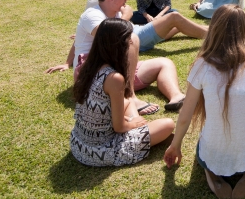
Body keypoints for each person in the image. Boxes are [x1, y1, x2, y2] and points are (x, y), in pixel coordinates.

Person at [48, 0, 205, 112]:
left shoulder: (116, 12)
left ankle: (176, 97)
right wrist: (126, 17)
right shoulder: (92, 15)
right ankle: (130, 96)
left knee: (164, 63)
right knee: (131, 40)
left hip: (116, 69)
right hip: (92, 75)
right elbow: (107, 37)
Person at [164, 5, 245, 199]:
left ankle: (214, 176)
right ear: (244, 29)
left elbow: (185, 116)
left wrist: (175, 145)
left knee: (208, 155)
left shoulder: (202, 65)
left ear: (213, 29)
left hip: (214, 150)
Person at [70, 18, 175, 166]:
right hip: (99, 150)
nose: (131, 43)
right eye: (128, 39)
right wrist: (132, 123)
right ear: (117, 44)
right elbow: (119, 127)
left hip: (79, 144)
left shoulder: (87, 66)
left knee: (129, 102)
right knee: (168, 124)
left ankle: (141, 128)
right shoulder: (114, 78)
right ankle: (142, 131)